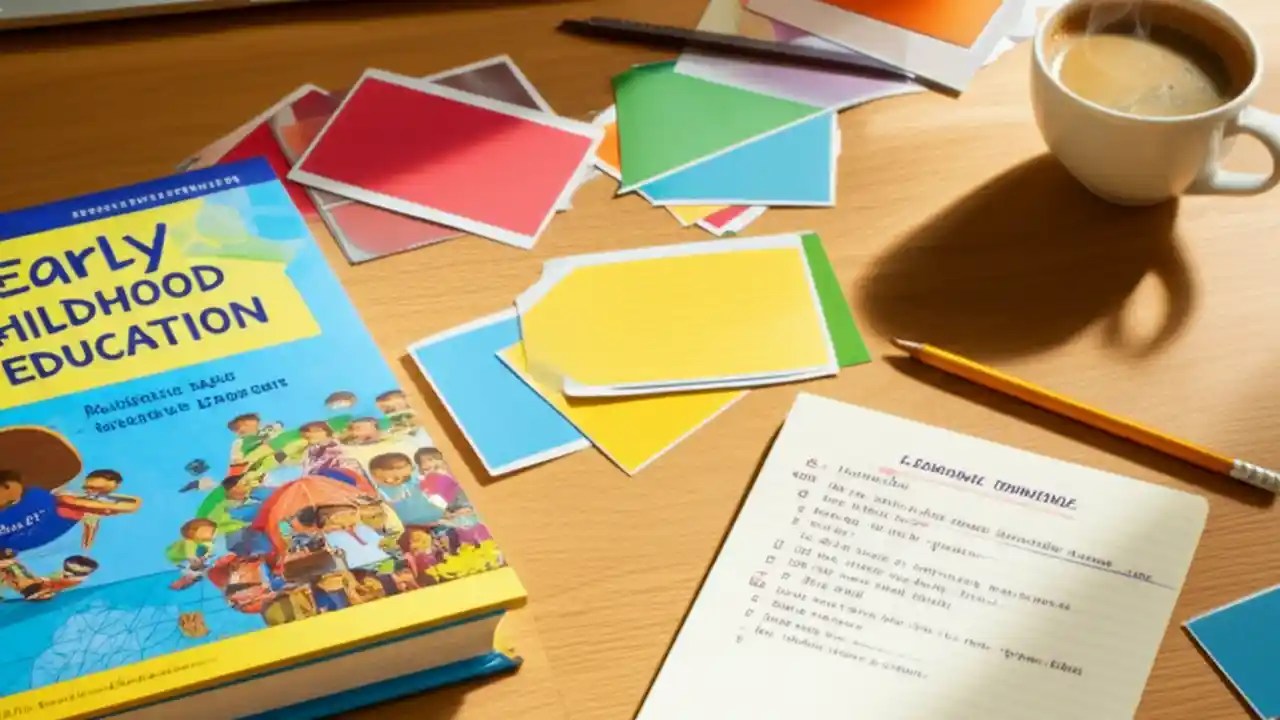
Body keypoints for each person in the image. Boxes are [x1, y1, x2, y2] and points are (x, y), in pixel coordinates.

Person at [370, 453, 445, 525]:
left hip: (433, 515)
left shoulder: (413, 481)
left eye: (406, 477)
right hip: (408, 522)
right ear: (375, 476)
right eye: (393, 479)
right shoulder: (380, 492)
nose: (400, 481)